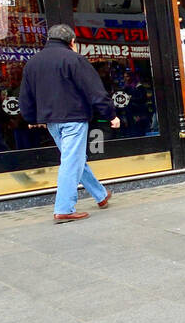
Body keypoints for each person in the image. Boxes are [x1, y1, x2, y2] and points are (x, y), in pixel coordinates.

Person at [18, 24, 120, 223]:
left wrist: (30, 118)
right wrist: (111, 115)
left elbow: (26, 95)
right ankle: (64, 208)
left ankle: (100, 195)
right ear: (71, 42)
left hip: (51, 121)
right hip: (73, 118)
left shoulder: (33, 62)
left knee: (74, 159)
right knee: (71, 161)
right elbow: (95, 91)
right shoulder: (74, 59)